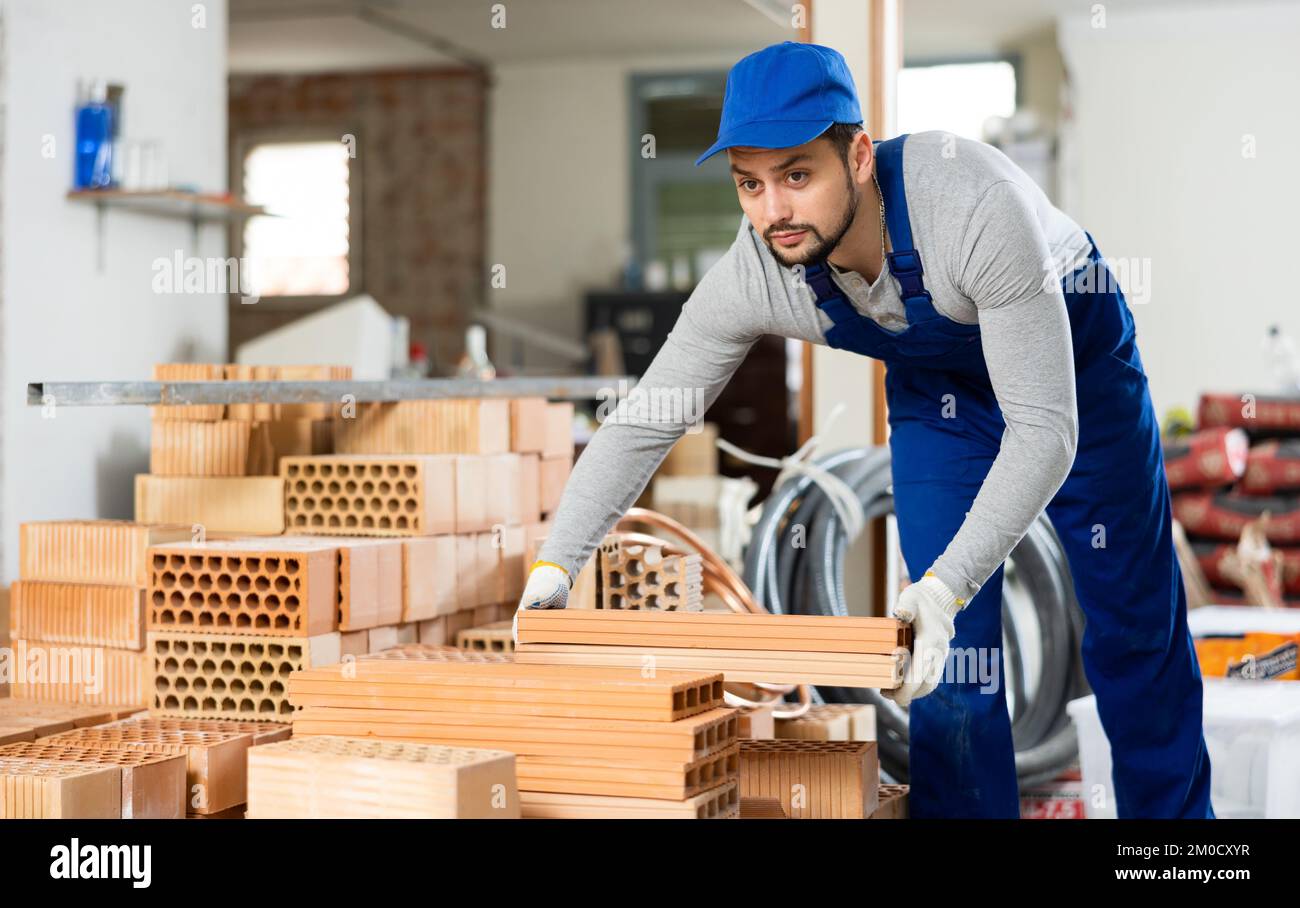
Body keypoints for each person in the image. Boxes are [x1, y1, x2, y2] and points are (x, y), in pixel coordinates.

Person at [514, 40, 1214, 819]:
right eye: (749, 184)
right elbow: (647, 418)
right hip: (941, 392)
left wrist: (950, 585)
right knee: (944, 653)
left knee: (1130, 619)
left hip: (1073, 365)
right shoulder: (757, 271)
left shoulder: (975, 208)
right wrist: (555, 563)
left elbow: (1046, 434)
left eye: (796, 176)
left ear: (857, 154)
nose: (772, 211)